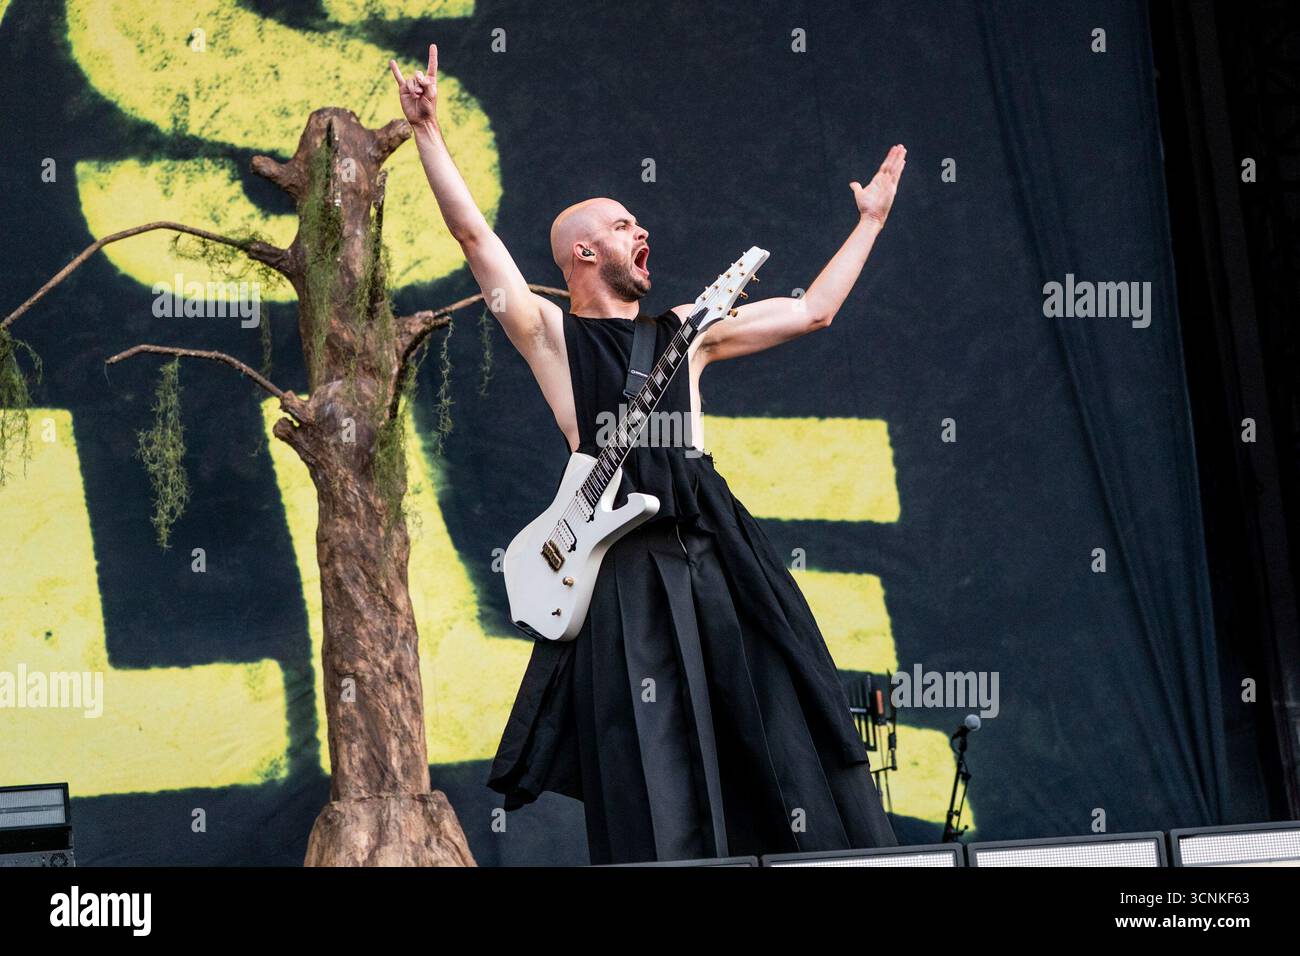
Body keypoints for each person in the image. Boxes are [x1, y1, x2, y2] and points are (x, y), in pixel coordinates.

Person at [391, 44, 906, 864]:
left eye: (639, 222)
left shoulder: (687, 339)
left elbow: (812, 311)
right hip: (624, 575)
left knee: (776, 724)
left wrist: (870, 221)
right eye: (625, 224)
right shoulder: (553, 338)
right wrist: (427, 135)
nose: (645, 231)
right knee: (653, 763)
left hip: (719, 555)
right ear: (583, 254)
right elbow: (473, 235)